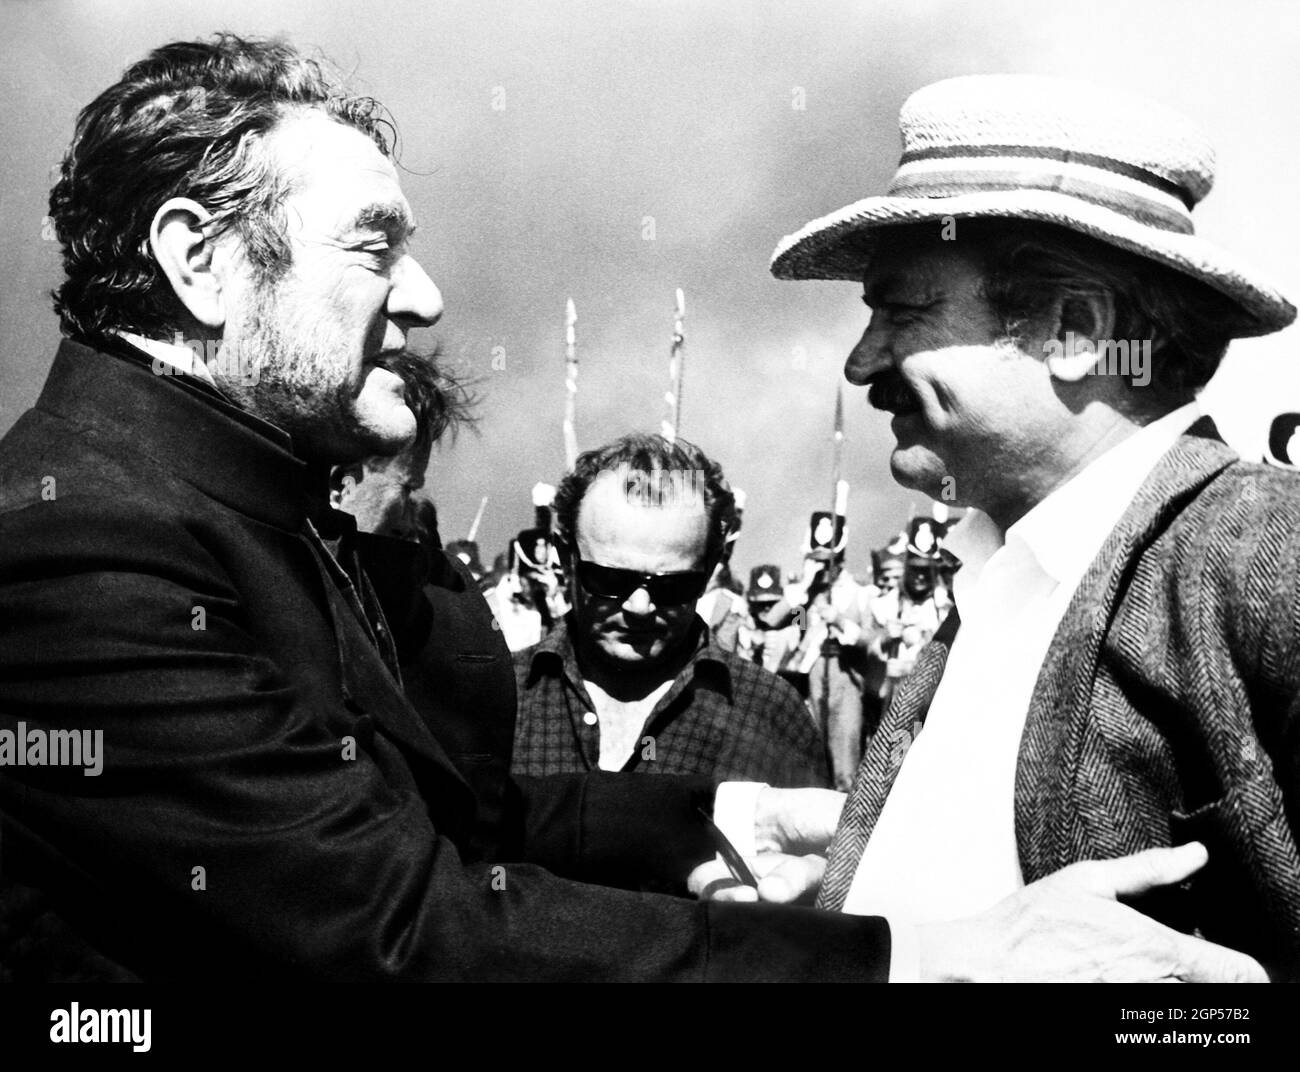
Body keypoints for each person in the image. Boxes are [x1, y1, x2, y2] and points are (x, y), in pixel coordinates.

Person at [0, 37, 1264, 984]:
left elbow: (445, 817)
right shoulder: (83, 544)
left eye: (904, 309)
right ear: (201, 260)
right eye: (374, 247)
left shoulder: (1242, 556)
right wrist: (923, 956)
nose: (424, 297)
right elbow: (398, 922)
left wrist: (709, 817)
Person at [762, 74, 1300, 979]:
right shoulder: (995, 581)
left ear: (1074, 333)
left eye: (904, 311)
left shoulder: (1266, 555)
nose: (861, 362)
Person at [513, 433, 829, 789]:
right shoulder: (497, 697)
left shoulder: (772, 716)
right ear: (566, 559)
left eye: (672, 586)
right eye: (610, 580)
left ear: (709, 570)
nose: (640, 606)